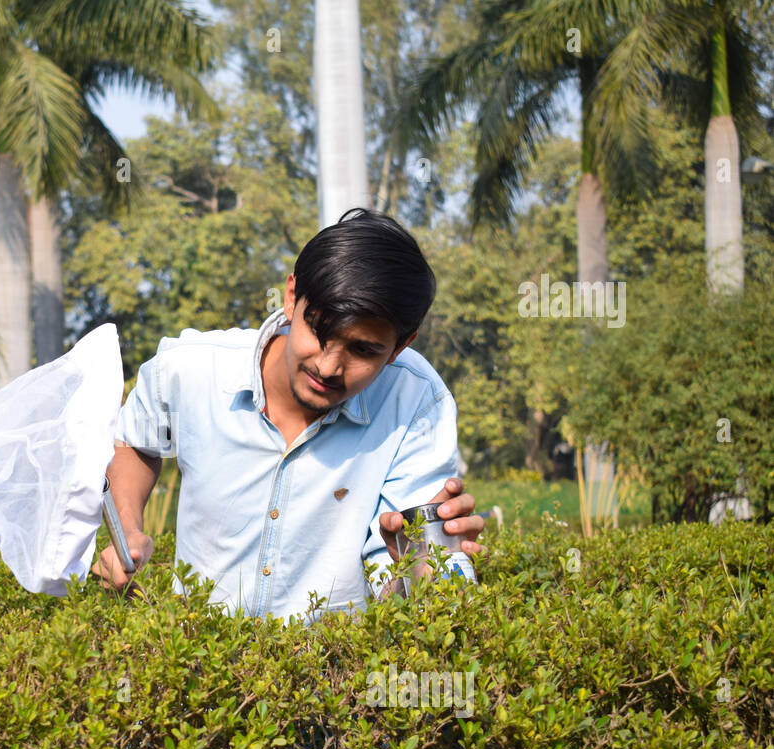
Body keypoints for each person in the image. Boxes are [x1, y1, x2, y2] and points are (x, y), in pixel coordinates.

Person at [91, 207, 487, 625]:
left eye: (363, 350)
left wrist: (418, 567)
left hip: (333, 680)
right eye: (319, 329)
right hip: (195, 662)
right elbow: (134, 441)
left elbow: (402, 583)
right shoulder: (192, 370)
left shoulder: (417, 403)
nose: (329, 366)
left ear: (401, 346)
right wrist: (128, 529)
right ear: (292, 297)